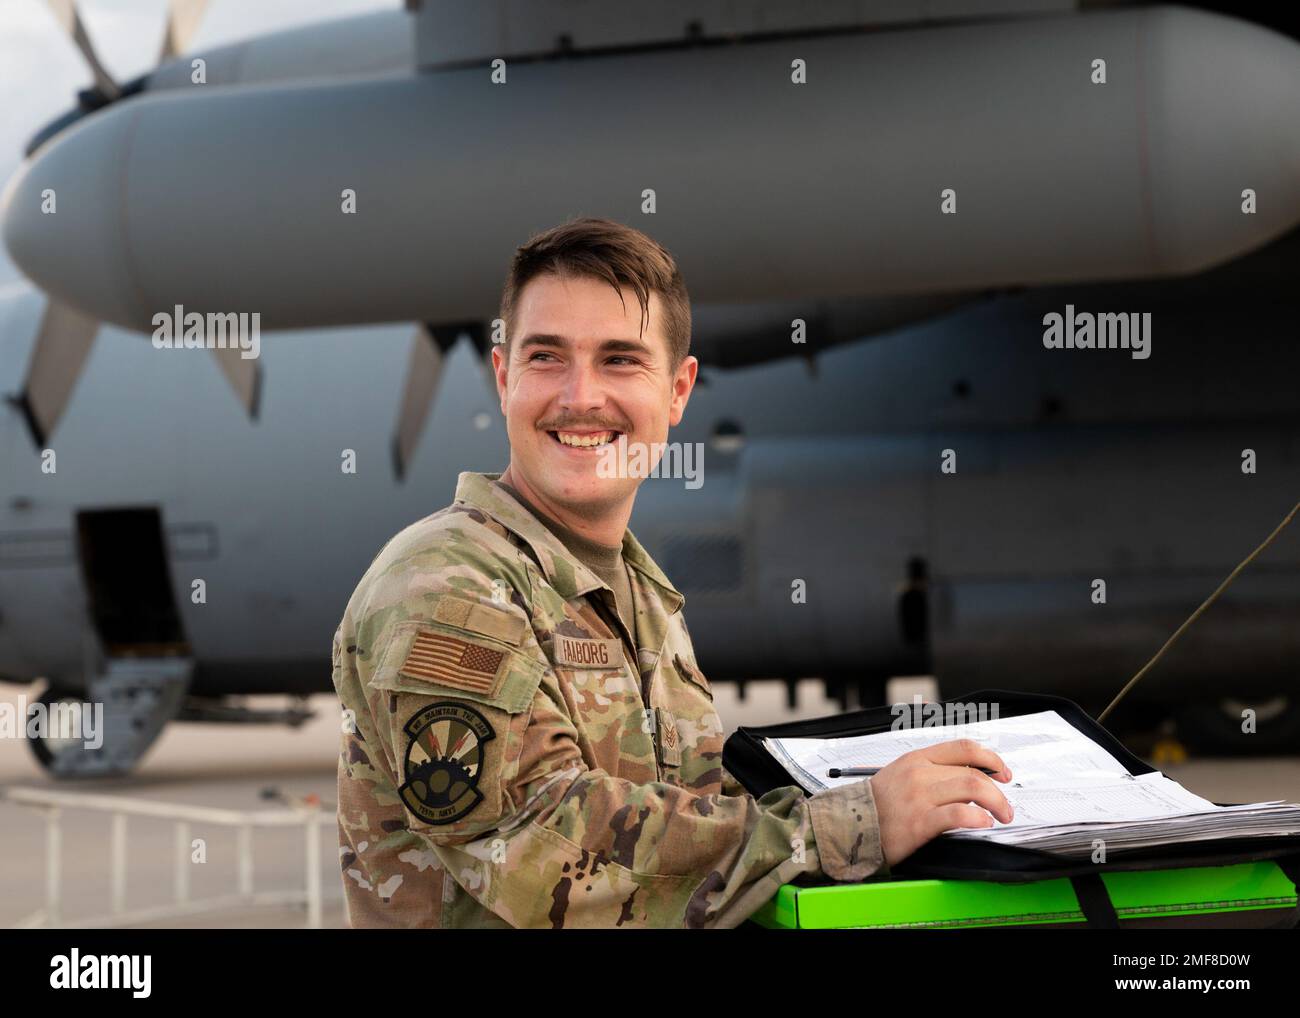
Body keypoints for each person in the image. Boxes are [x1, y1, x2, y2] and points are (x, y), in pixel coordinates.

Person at [330, 216, 1014, 928]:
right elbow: (540, 846)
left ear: (678, 392)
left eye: (620, 360)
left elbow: (693, 830)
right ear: (503, 379)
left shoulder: (637, 594)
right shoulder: (446, 586)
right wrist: (846, 827)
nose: (581, 397)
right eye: (546, 358)